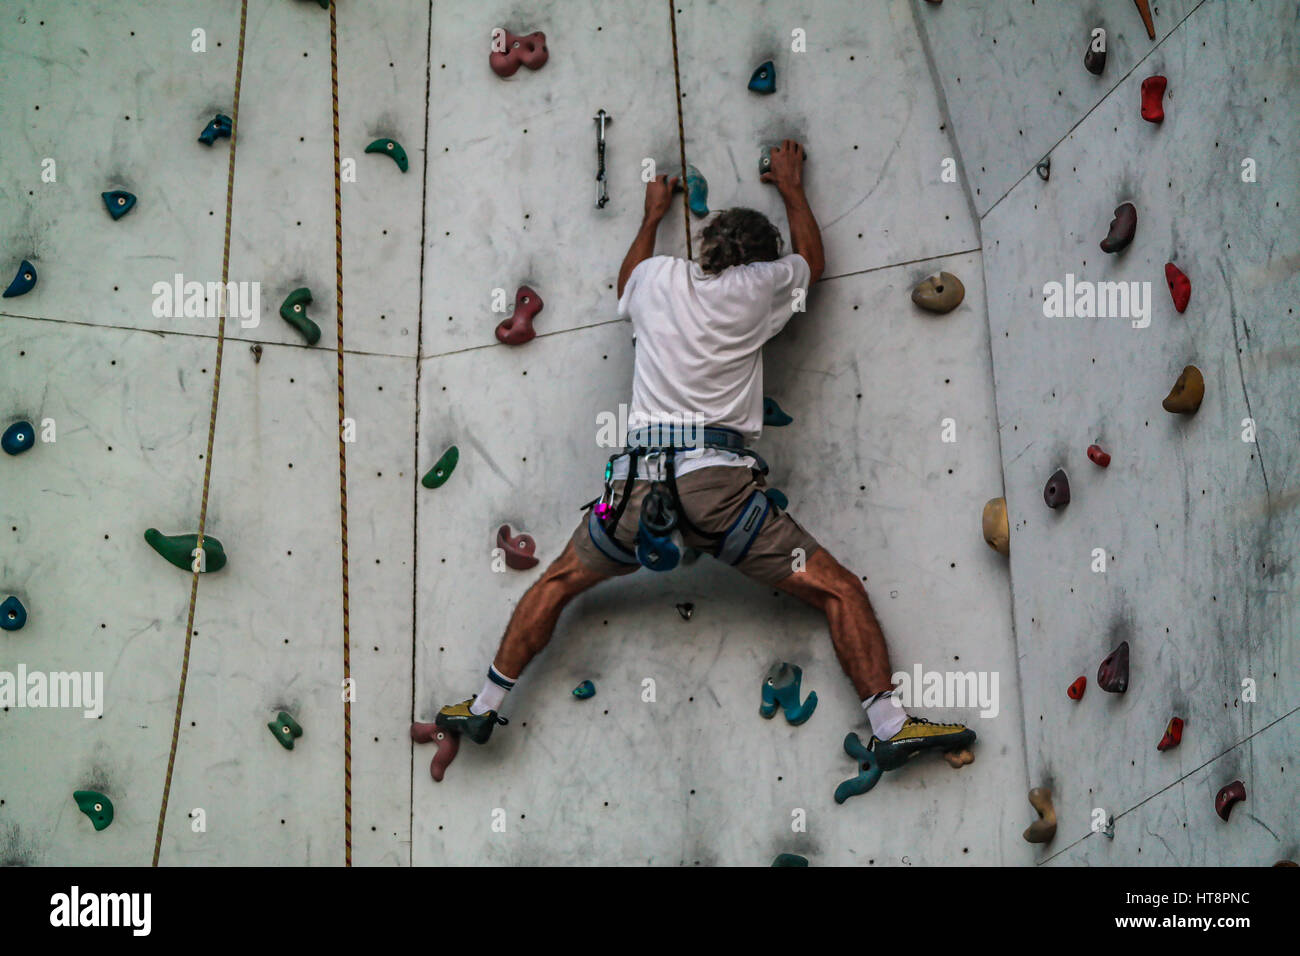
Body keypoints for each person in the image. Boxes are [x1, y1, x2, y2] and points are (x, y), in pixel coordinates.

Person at [434, 139, 974, 773]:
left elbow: (627, 278)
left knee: (557, 582)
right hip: (718, 491)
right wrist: (792, 187)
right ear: (758, 260)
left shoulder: (657, 278)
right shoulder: (760, 286)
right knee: (838, 591)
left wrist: (651, 215)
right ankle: (888, 724)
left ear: (707, 248)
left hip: (635, 489)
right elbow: (813, 263)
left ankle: (485, 700)